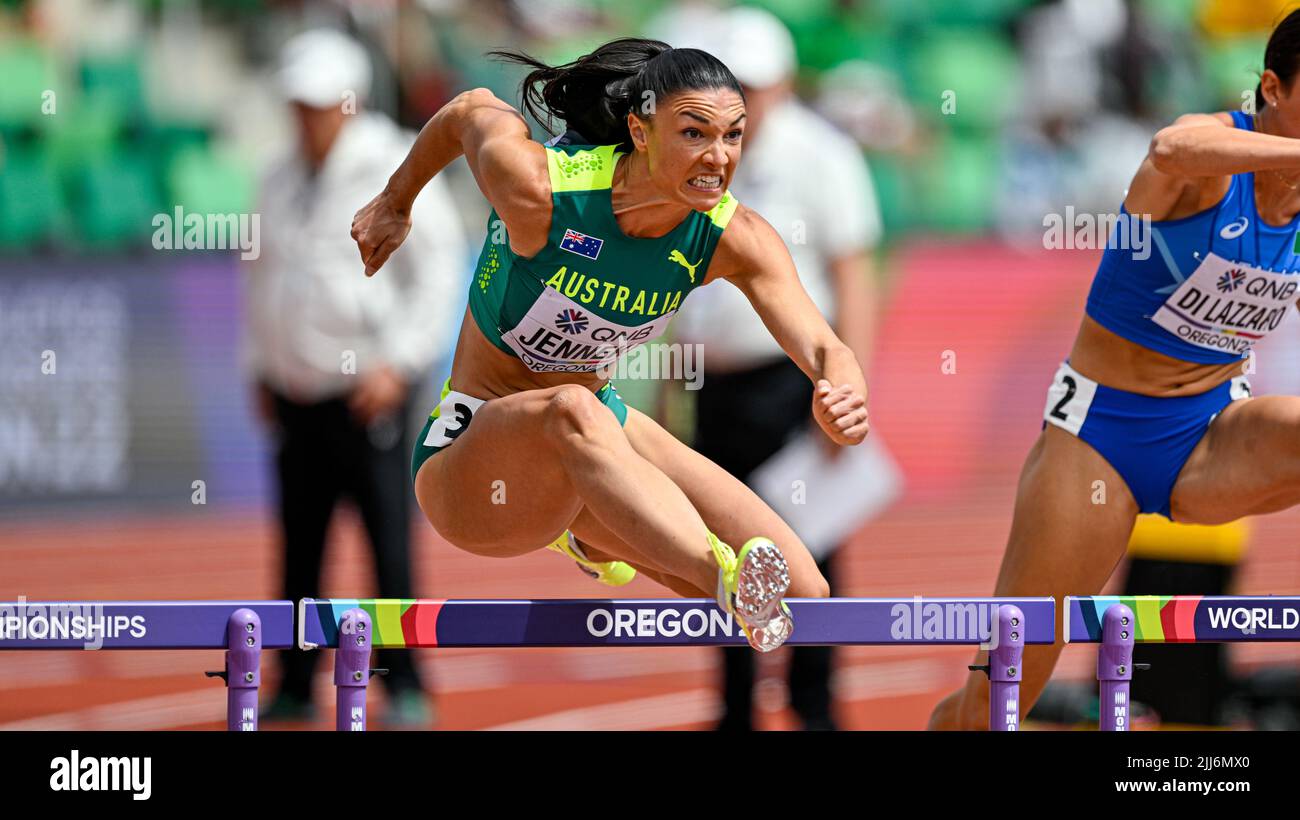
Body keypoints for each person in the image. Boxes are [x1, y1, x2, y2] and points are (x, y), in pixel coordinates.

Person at [350, 38, 870, 652]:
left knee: (805, 590)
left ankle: (598, 530)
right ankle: (721, 578)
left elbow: (826, 349)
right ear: (641, 132)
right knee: (572, 408)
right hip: (472, 457)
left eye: (733, 135)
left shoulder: (735, 237)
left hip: (597, 426)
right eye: (695, 133)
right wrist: (395, 200)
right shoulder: (540, 191)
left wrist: (845, 394)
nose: (719, 157)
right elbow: (468, 110)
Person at [929, 10, 1300, 729]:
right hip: (1100, 440)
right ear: (1272, 88)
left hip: (1211, 432)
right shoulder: (1206, 167)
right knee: (1002, 693)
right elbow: (1169, 148)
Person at [243, 29, 465, 726]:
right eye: (297, 104)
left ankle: (405, 681)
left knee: (387, 543)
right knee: (298, 549)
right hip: (296, 389)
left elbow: (440, 271)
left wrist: (400, 364)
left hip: (369, 391)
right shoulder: (276, 175)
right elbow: (260, 278)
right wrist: (258, 365)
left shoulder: (393, 164)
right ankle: (293, 680)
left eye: (316, 104)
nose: (304, 116)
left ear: (349, 102)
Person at [667, 8, 882, 729]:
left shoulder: (821, 155)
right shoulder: (693, 157)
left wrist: (847, 390)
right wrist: (672, 388)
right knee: (719, 550)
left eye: (753, 90)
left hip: (790, 382)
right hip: (713, 382)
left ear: (784, 86)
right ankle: (733, 707)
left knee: (809, 543)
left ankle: (814, 706)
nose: (742, 105)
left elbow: (854, 276)